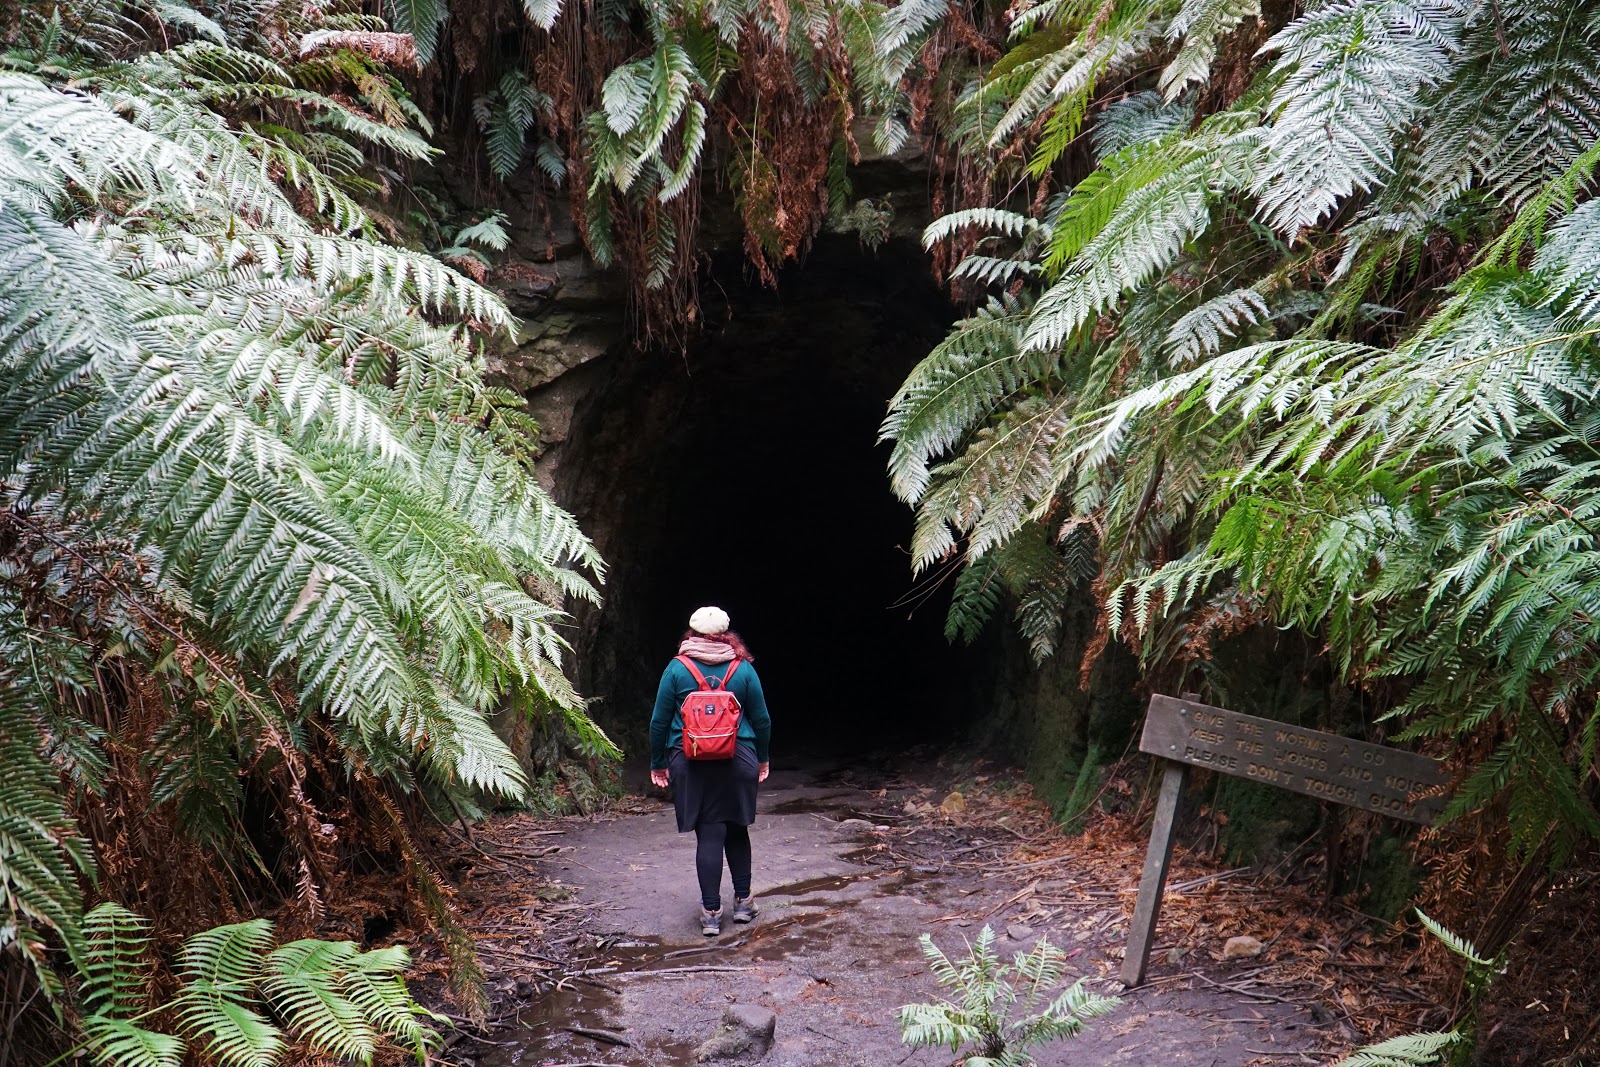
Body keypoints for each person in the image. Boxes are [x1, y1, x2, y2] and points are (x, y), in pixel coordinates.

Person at [649, 606, 772, 936]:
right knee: (736, 829)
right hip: (739, 760)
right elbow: (761, 720)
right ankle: (744, 903)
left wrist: (657, 762)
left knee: (709, 831)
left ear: (691, 632)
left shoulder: (677, 669)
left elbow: (659, 721)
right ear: (727, 633)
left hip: (689, 761)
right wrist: (761, 758)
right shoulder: (742, 669)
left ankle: (711, 913)